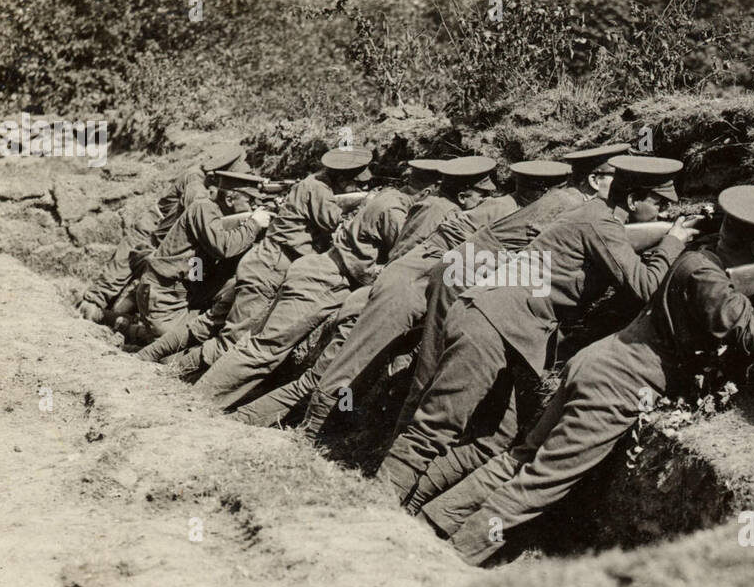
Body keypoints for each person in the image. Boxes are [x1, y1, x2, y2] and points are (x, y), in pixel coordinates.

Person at [416, 184, 754, 565]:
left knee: (521, 458)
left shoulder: (703, 255)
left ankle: (430, 523)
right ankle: (455, 556)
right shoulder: (706, 276)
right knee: (541, 482)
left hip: (597, 363)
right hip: (618, 384)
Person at [377, 155, 698, 507]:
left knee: (496, 439)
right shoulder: (599, 222)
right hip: (491, 324)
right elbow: (645, 285)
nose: (665, 211)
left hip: (508, 329)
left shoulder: (599, 219)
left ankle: (411, 506)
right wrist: (674, 241)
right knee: (436, 427)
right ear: (634, 201)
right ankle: (375, 506)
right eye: (660, 204)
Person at [234, 159, 572, 429]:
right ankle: (295, 429)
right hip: (405, 288)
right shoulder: (500, 211)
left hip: (414, 286)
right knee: (344, 369)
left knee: (351, 371)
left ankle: (317, 426)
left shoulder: (494, 206)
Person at [198, 157, 499, 413]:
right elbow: (401, 256)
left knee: (265, 347)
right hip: (325, 279)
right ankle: (198, 402)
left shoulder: (394, 199)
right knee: (266, 348)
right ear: (431, 189)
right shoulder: (403, 210)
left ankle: (206, 399)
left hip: (324, 274)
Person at [397, 141, 630, 433]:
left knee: (442, 366)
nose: (626, 186)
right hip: (465, 273)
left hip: (471, 270)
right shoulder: (570, 204)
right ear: (595, 180)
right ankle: (403, 438)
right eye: (618, 178)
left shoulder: (571, 201)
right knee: (432, 368)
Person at [136, 149, 377, 368]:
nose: (363, 190)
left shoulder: (311, 185)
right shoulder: (317, 190)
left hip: (255, 267)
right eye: (357, 185)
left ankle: (145, 354)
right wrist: (365, 207)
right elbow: (339, 226)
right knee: (230, 341)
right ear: (344, 180)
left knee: (208, 322)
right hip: (256, 274)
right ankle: (171, 372)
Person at [76, 141, 245, 323]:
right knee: (117, 274)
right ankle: (89, 308)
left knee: (152, 281)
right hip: (151, 230)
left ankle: (117, 317)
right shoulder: (195, 180)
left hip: (166, 241)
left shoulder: (204, 180)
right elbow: (203, 215)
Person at [131, 170, 271, 340]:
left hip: (186, 291)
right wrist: (254, 224)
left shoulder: (217, 215)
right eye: (250, 201)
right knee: (170, 353)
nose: (253, 207)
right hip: (163, 298)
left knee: (234, 281)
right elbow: (223, 247)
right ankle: (125, 327)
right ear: (229, 199)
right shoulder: (204, 208)